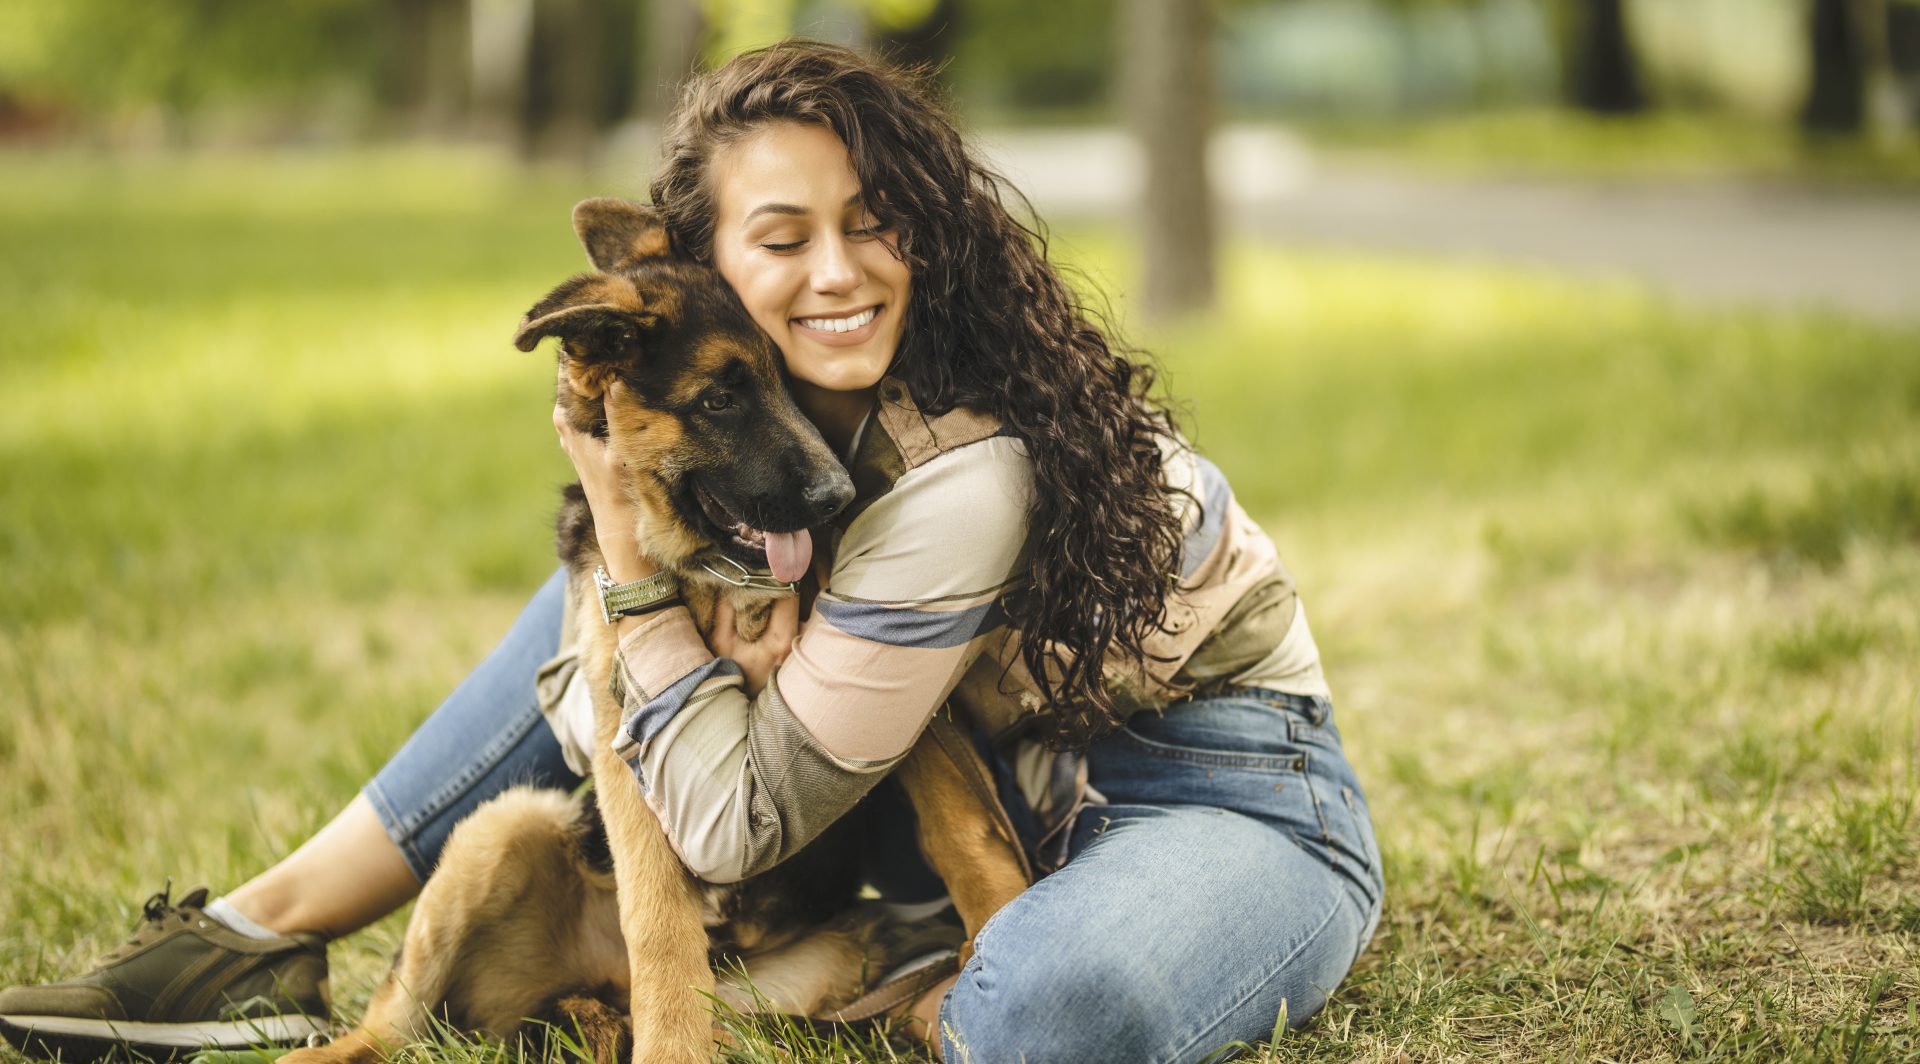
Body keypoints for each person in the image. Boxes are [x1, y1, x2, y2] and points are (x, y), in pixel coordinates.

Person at [0, 41, 1382, 1064]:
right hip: (991, 797)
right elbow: (608, 687)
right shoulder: (767, 412)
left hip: (1211, 798)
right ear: (702, 261)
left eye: (871, 222)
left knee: (1056, 1008)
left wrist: (623, 537)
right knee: (611, 594)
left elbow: (726, 812)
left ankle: (939, 972)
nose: (835, 272)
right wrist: (624, 512)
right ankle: (256, 934)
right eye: (781, 238)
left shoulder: (962, 465)